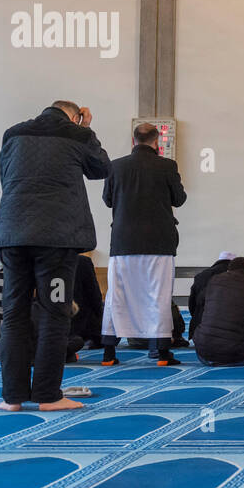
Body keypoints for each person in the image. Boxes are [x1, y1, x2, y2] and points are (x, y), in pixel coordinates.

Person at [0, 101, 110, 412]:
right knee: (55, 313)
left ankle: (12, 398)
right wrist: (86, 129)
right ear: (74, 116)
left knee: (14, 314)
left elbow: (7, 177)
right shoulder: (76, 134)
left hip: (13, 237)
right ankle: (48, 395)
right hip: (56, 242)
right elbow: (102, 168)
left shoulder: (13, 134)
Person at [99, 122, 187, 367]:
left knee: (117, 295)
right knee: (157, 296)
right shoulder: (167, 166)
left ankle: (108, 353)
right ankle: (161, 353)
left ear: (133, 140)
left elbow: (107, 200)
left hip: (123, 241)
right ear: (157, 142)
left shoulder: (116, 166)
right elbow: (179, 199)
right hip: (159, 242)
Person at [188, 251, 235, 341]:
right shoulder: (232, 276)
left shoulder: (201, 275)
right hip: (222, 332)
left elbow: (192, 303)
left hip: (198, 329)